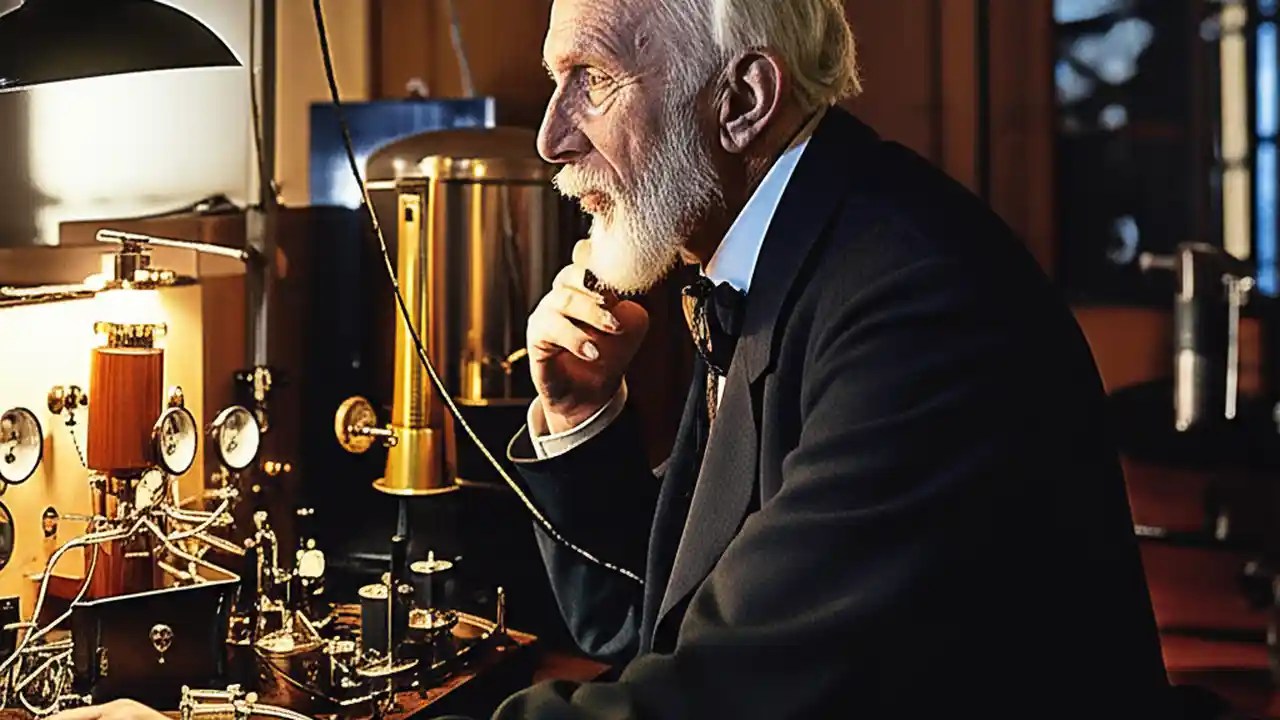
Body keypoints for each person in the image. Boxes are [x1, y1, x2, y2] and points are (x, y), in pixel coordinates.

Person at [50, 0, 1174, 718]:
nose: (549, 137)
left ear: (740, 102)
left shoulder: (915, 308)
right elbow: (651, 619)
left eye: (590, 79)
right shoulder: (767, 249)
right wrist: (582, 417)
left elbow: (719, 697)